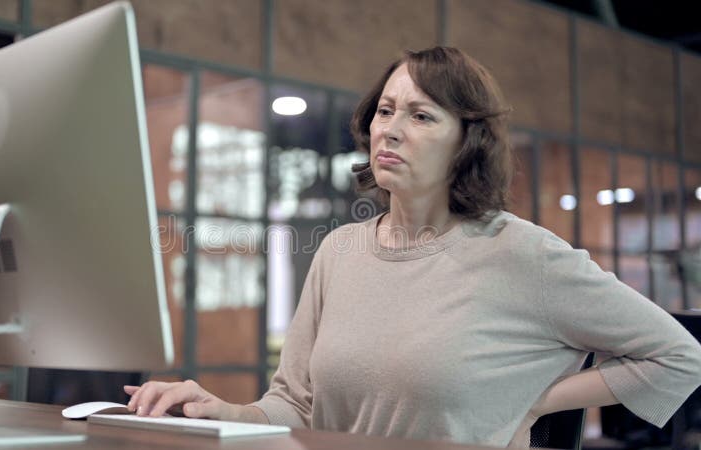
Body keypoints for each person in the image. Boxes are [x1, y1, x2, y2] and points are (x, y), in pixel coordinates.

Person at [124, 47, 701, 448]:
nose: (390, 129)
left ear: (466, 143)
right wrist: (221, 411)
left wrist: (540, 400)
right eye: (385, 110)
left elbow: (680, 357)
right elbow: (295, 407)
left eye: (421, 115)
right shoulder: (338, 251)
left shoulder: (523, 254)